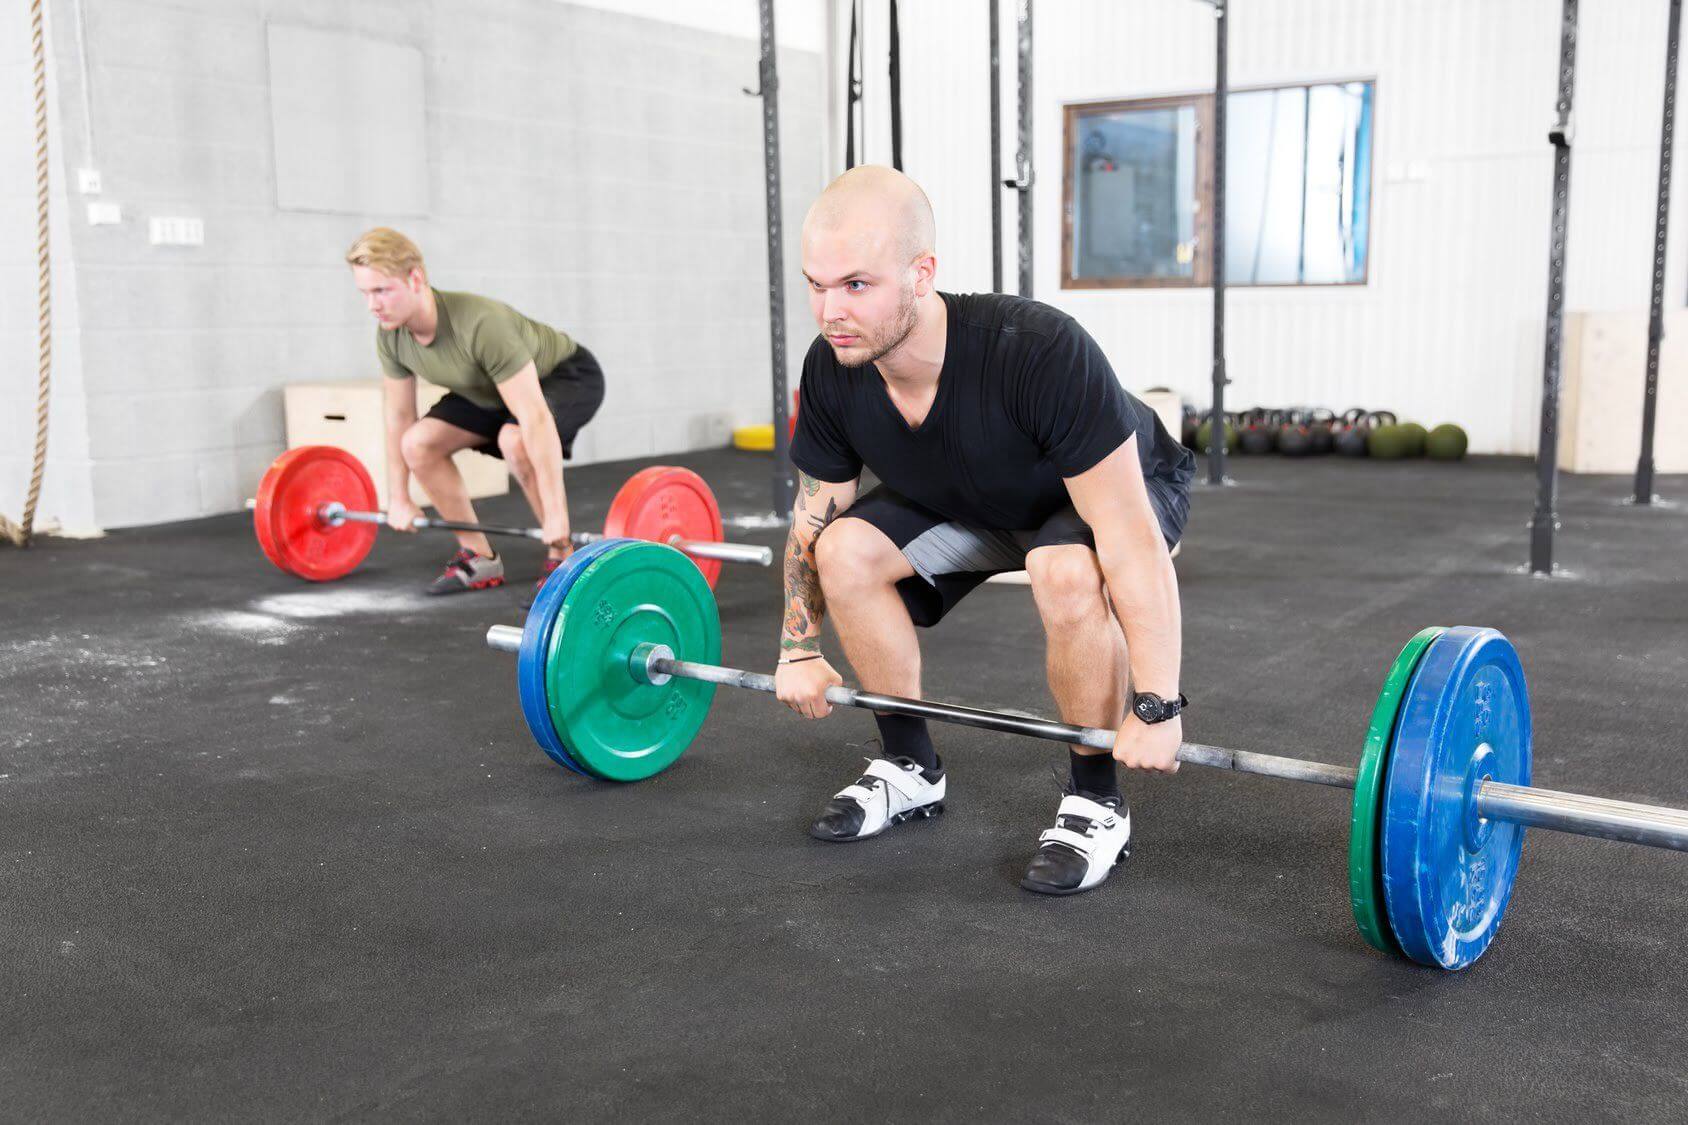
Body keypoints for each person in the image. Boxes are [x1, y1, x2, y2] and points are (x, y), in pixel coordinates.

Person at [773, 167, 1195, 896]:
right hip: (972, 494)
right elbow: (817, 515)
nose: (828, 310)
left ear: (922, 273)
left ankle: (1095, 798)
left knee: (1064, 569)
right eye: (816, 284)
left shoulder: (1035, 351)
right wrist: (797, 647)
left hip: (1106, 496)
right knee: (845, 551)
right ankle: (909, 767)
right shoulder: (835, 367)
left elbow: (1127, 538)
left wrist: (1156, 703)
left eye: (855, 285)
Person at [345, 228, 604, 594]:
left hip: (563, 376)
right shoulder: (391, 336)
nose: (372, 305)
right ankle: (479, 557)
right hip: (488, 391)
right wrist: (399, 496)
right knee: (417, 443)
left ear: (415, 278)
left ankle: (562, 556)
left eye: (381, 291)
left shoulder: (480, 324)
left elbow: (534, 416)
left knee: (514, 439)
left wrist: (557, 515)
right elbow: (399, 417)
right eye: (365, 293)